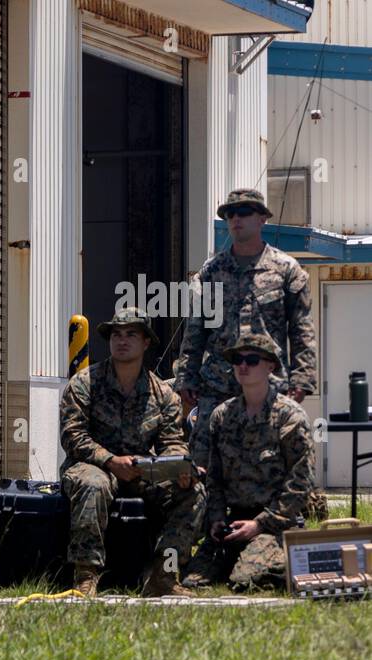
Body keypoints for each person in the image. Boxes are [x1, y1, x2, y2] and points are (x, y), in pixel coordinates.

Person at [60, 308, 205, 598]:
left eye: (131, 335)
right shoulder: (85, 383)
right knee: (94, 484)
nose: (122, 340)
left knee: (194, 493)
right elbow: (72, 436)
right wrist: (110, 461)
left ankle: (163, 574)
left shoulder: (163, 394)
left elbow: (172, 442)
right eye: (116, 334)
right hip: (91, 465)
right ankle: (86, 576)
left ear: (146, 342)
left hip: (140, 469)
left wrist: (180, 469)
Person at [173, 188, 315, 468]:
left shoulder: (286, 270)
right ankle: (207, 513)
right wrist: (186, 378)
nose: (236, 219)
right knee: (205, 460)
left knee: (270, 459)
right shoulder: (212, 271)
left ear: (262, 218)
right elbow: (195, 330)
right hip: (217, 384)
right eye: (231, 214)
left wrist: (302, 380)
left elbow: (302, 330)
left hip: (269, 384)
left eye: (245, 212)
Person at [182, 332, 316, 591]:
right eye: (237, 360)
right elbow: (215, 477)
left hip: (275, 524)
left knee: (246, 582)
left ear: (270, 366)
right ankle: (236, 557)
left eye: (252, 360)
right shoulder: (223, 415)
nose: (243, 366)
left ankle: (285, 560)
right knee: (192, 581)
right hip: (234, 521)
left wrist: (260, 524)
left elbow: (300, 484)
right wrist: (218, 518)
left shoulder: (290, 417)